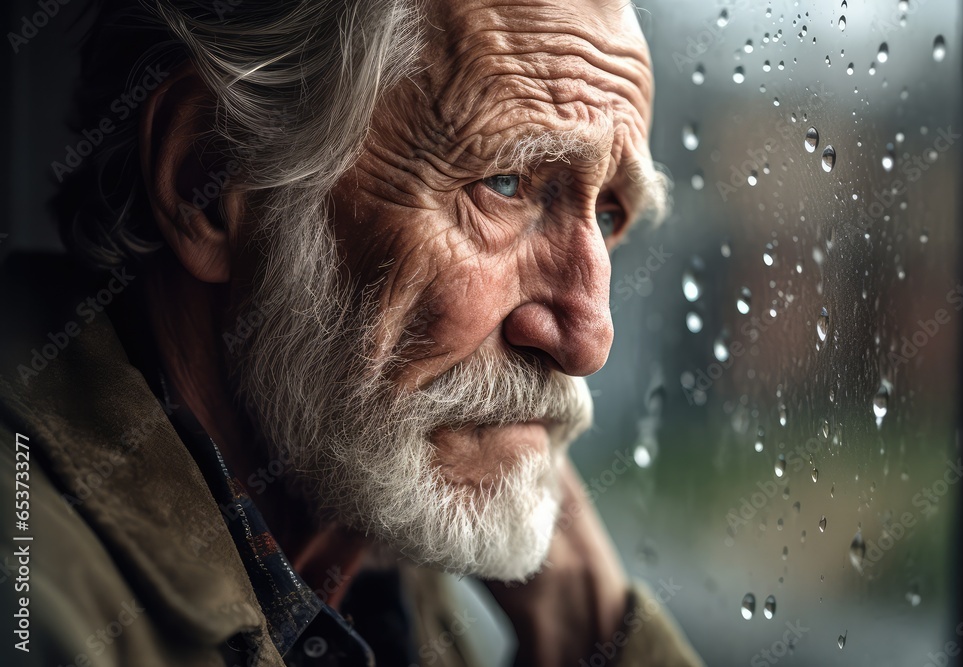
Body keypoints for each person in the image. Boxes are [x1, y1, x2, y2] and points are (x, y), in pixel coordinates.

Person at [0, 1, 703, 665]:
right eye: (507, 183)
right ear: (210, 178)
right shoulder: (35, 595)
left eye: (609, 215)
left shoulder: (372, 540)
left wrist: (587, 616)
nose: (587, 338)